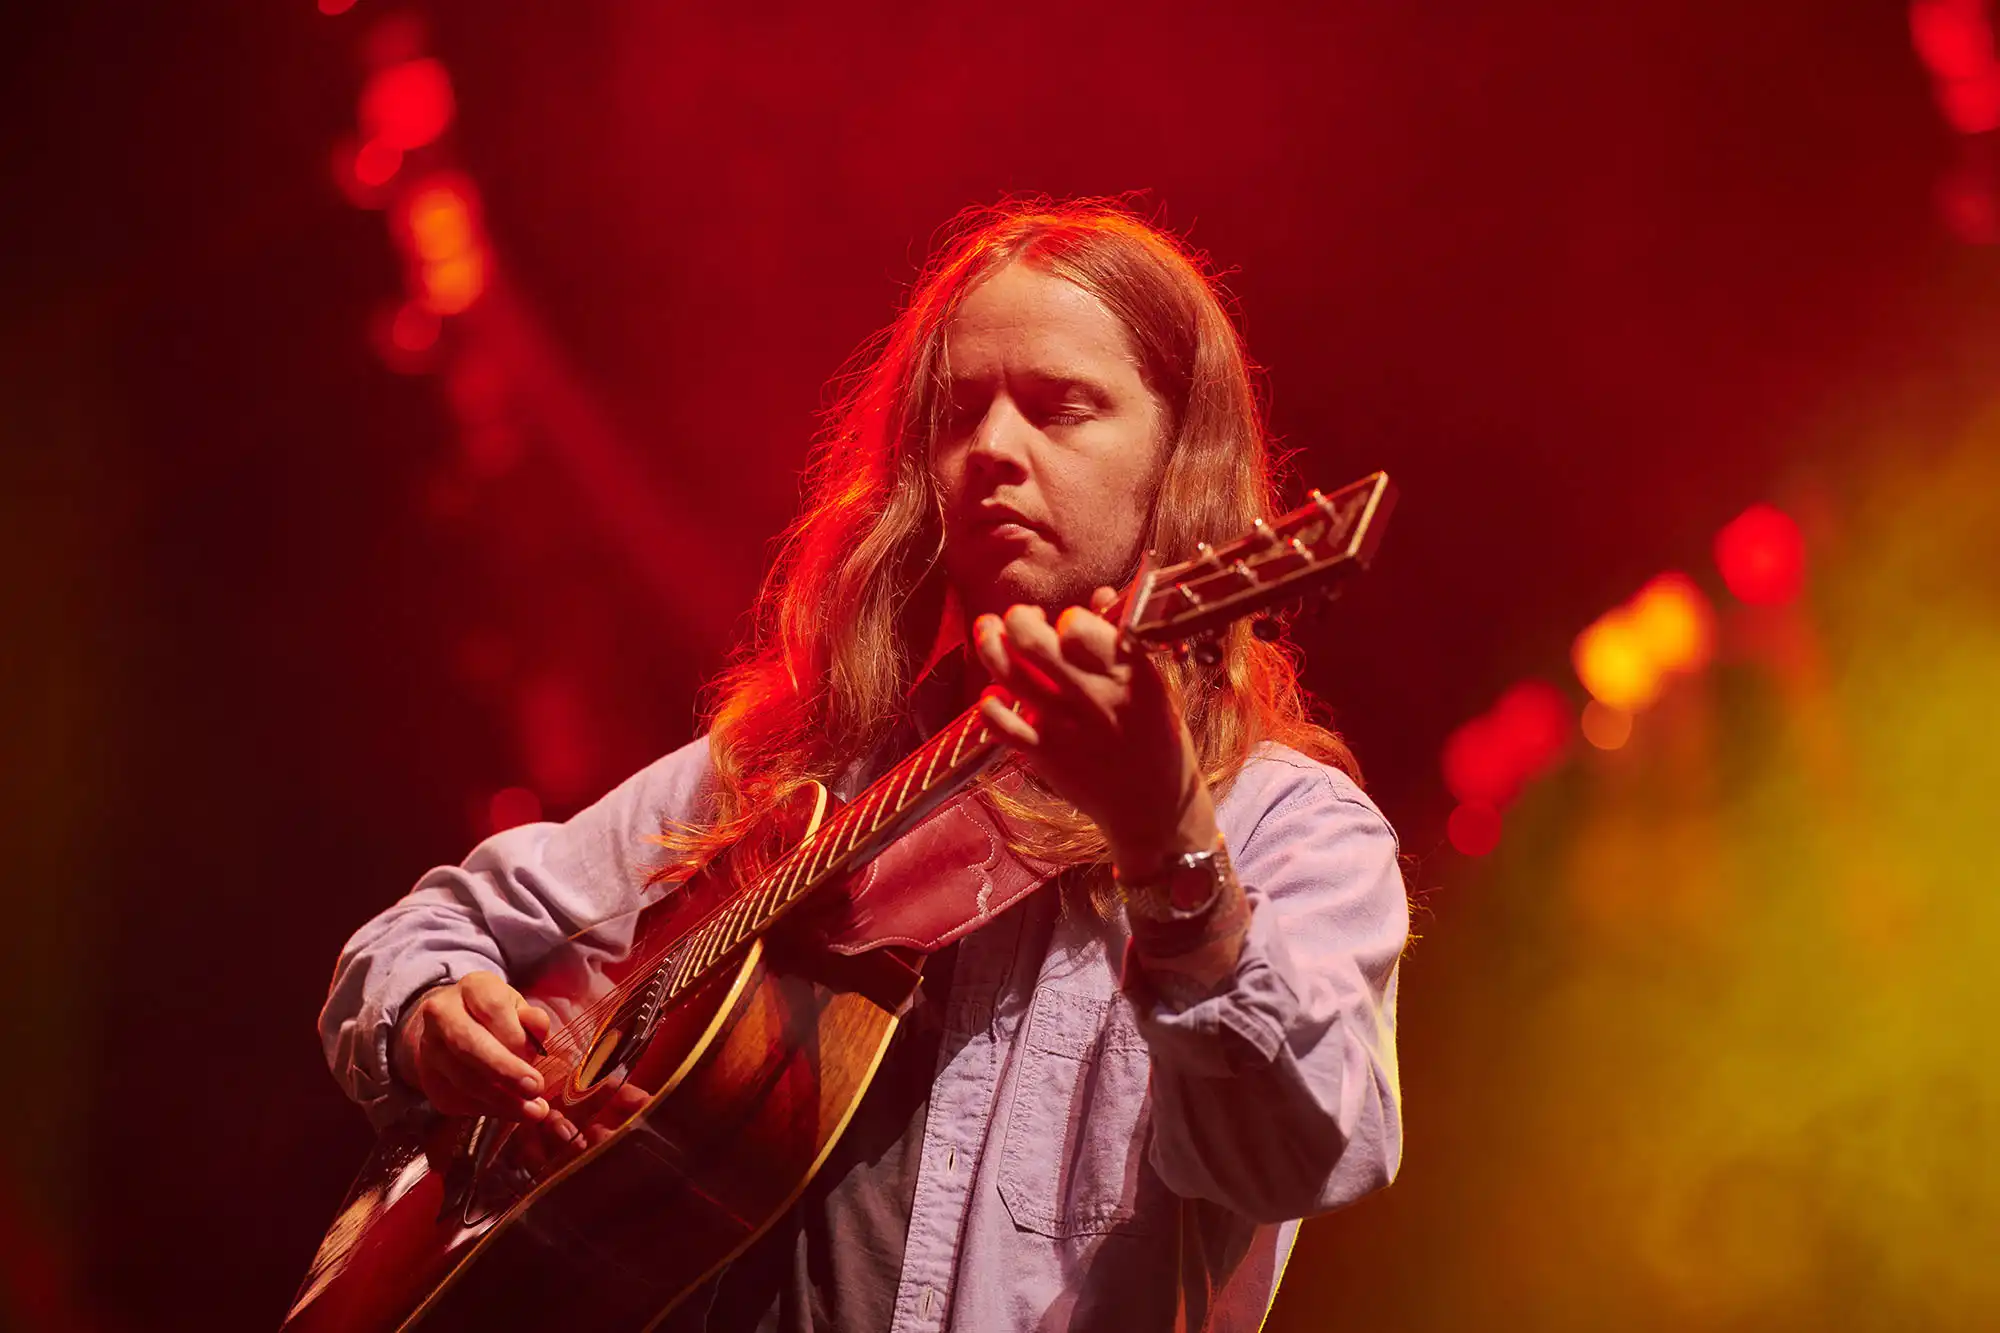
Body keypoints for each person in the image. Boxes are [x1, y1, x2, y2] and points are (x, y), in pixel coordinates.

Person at [320, 198, 1409, 1332]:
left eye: (1059, 407)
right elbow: (421, 931)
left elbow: (1303, 1152)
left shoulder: (1290, 827)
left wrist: (1168, 840)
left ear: (1179, 457)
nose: (991, 451)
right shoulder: (796, 773)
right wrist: (430, 1016)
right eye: (960, 412)